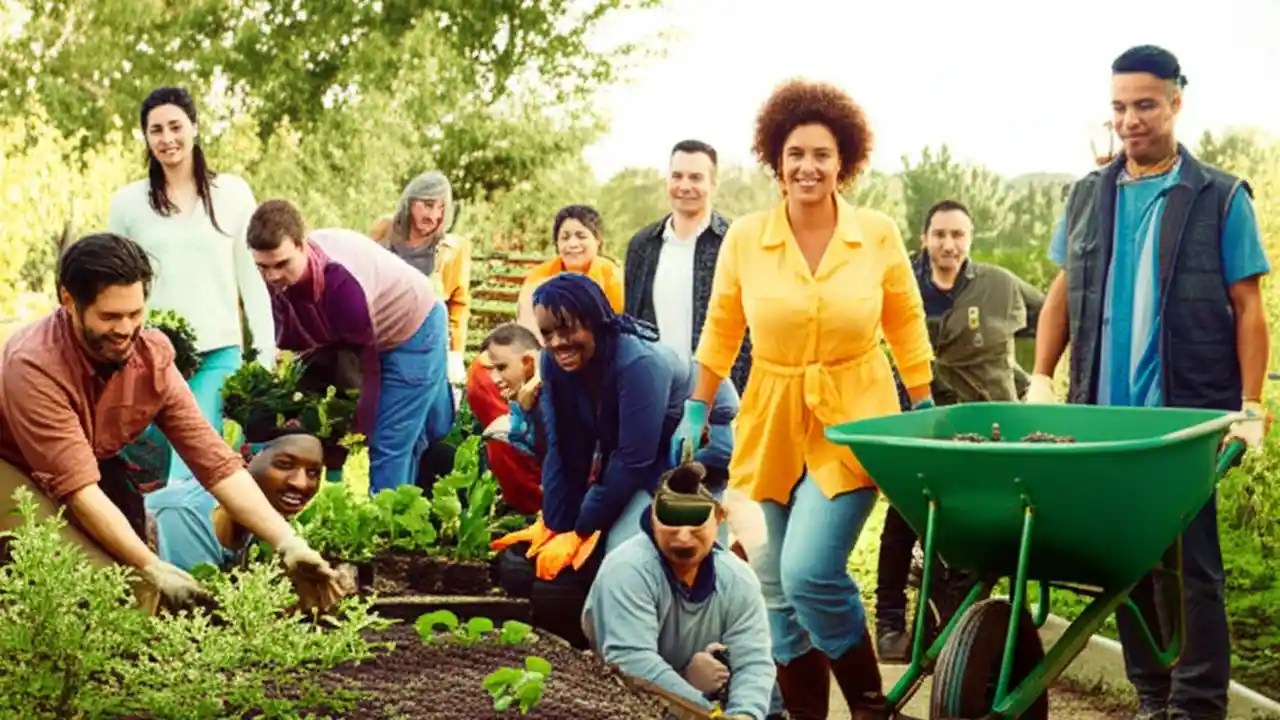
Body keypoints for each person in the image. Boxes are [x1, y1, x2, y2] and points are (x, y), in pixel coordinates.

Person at [672, 79, 935, 720]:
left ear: (843, 160)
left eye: (821, 154)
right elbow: (722, 327)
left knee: (811, 572)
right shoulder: (748, 239)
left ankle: (872, 708)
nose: (807, 167)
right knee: (772, 585)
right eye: (795, 154)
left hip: (855, 418)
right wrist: (697, 407)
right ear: (775, 160)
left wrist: (925, 404)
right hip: (773, 419)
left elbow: (905, 320)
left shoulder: (874, 233)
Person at [1029, 46, 1271, 720]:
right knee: (1126, 563)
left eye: (1144, 105)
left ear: (1175, 102)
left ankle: (1195, 704)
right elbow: (1060, 292)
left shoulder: (1218, 196)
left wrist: (1252, 404)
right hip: (1103, 422)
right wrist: (1041, 379)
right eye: (1119, 107)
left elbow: (1249, 305)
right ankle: (1151, 695)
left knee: (1192, 571)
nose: (1130, 120)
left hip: (1185, 418)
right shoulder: (1086, 195)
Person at [0, 233, 344, 613]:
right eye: (109, 317)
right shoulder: (34, 365)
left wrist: (289, 543)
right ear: (68, 300)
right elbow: (77, 490)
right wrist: (152, 567)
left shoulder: (151, 356)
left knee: (137, 588)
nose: (125, 329)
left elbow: (216, 464)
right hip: (12, 468)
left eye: (134, 314)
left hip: (82, 470)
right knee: (112, 590)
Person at [874, 199, 1044, 660]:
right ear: (925, 238)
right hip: (928, 420)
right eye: (940, 235)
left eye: (958, 235)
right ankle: (889, 619)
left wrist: (1038, 380)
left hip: (993, 427)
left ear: (970, 240)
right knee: (906, 513)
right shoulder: (902, 286)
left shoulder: (999, 286)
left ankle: (973, 629)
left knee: (983, 525)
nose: (949, 244)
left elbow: (1051, 316)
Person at [108, 86, 276, 482]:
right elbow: (114, 281)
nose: (167, 139)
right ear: (146, 138)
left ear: (195, 128)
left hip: (217, 352)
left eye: (175, 126)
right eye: (156, 130)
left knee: (193, 460)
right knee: (147, 467)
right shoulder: (129, 203)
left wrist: (265, 351)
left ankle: (191, 542)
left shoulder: (232, 193)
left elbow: (253, 280)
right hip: (150, 355)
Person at [245, 199, 454, 495]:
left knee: (388, 440)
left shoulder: (340, 283)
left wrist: (357, 431)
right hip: (371, 328)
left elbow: (363, 366)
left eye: (281, 264)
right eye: (262, 267)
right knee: (413, 433)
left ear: (302, 246)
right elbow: (296, 342)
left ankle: (387, 528)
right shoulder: (280, 276)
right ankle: (415, 487)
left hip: (415, 328)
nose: (272, 276)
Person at [581, 462, 774, 720]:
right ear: (653, 518)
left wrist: (744, 715)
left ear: (718, 520)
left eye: (695, 526)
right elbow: (631, 660)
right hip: (623, 705)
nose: (683, 538)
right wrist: (709, 713)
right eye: (672, 524)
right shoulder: (627, 568)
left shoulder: (738, 579)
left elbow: (753, 662)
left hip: (701, 702)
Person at [624, 139, 752, 394]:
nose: (685, 186)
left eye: (695, 178)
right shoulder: (642, 245)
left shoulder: (735, 242)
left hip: (720, 397)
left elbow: (749, 331)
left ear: (713, 184)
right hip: (654, 394)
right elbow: (632, 324)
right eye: (677, 176)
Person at [149, 431, 324, 572]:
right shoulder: (182, 515)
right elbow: (185, 608)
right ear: (247, 458)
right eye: (284, 465)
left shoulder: (276, 523)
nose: (301, 483)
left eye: (313, 473)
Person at [370, 171, 472, 385]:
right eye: (427, 205)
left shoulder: (453, 249)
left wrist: (455, 354)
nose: (433, 216)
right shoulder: (385, 231)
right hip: (382, 337)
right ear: (410, 201)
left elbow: (458, 304)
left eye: (441, 207)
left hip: (425, 345)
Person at [467, 322, 545, 516]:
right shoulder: (521, 396)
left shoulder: (551, 398)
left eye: (501, 368)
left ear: (528, 362)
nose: (494, 378)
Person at [516, 205, 625, 333]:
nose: (572, 244)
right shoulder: (540, 276)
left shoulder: (613, 277)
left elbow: (618, 328)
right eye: (565, 238)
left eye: (581, 236)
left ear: (598, 240)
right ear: (557, 243)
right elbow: (526, 326)